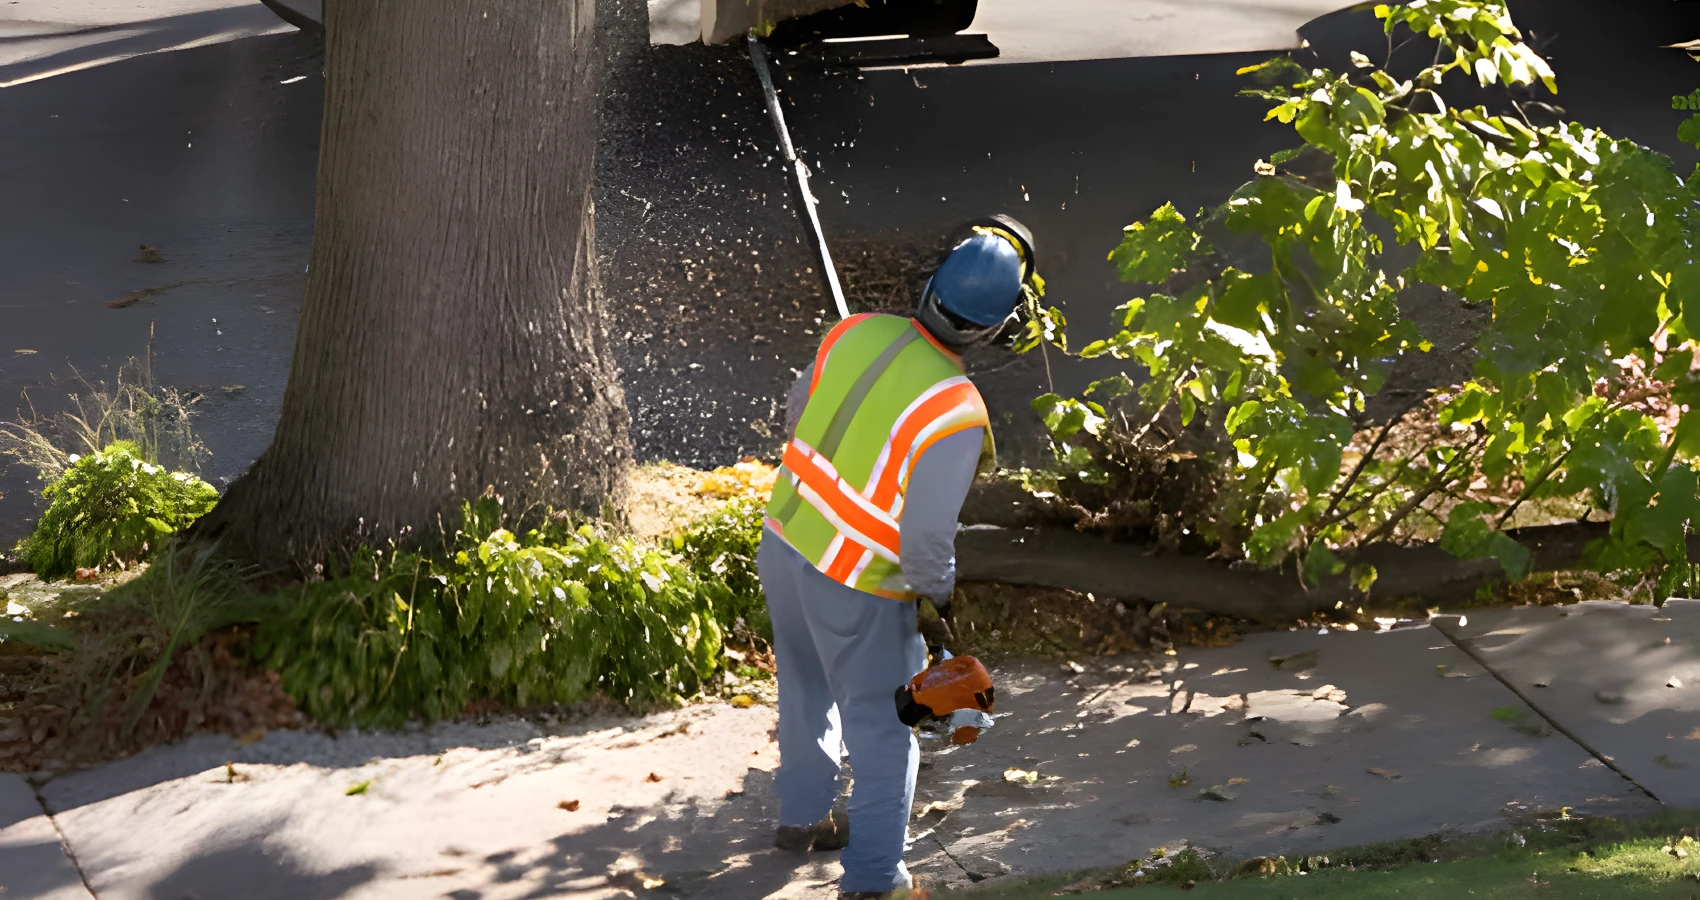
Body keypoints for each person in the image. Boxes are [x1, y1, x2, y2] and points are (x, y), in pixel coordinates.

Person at [758, 215, 1038, 900]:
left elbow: (798, 419)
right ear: (994, 329)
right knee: (885, 735)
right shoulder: (956, 409)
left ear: (928, 286)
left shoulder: (852, 332)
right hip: (856, 585)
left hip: (784, 541)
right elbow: (925, 544)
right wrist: (940, 599)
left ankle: (804, 819)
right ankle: (876, 881)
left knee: (802, 688)